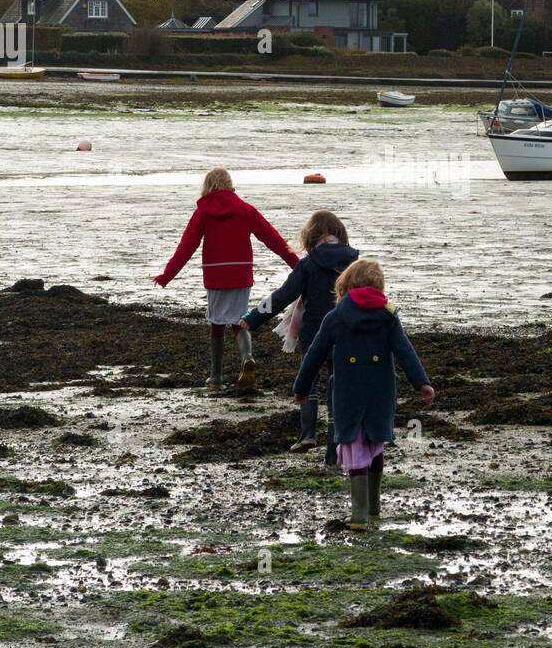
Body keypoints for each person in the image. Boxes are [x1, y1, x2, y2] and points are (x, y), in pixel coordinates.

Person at [294, 258, 435, 529]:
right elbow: (405, 351)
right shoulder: (388, 315)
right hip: (381, 391)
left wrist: (301, 388)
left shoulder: (335, 317)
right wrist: (421, 383)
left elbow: (314, 355)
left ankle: (358, 515)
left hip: (349, 392)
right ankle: (374, 509)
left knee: (354, 445)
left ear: (345, 285)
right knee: (374, 442)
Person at [153, 167, 298, 392]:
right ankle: (247, 357)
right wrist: (298, 266)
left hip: (216, 274)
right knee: (240, 318)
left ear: (207, 186)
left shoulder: (202, 212)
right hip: (241, 273)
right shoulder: (245, 209)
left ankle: (216, 376)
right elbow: (273, 238)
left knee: (217, 321)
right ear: (230, 185)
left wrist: (167, 276)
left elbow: (187, 246)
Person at [241, 209, 357, 455]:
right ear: (339, 234)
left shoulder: (308, 264)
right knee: (340, 384)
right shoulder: (354, 262)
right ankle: (335, 441)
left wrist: (252, 319)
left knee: (310, 381)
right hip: (347, 332)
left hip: (314, 332)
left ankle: (308, 435)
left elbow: (283, 296)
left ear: (310, 237)